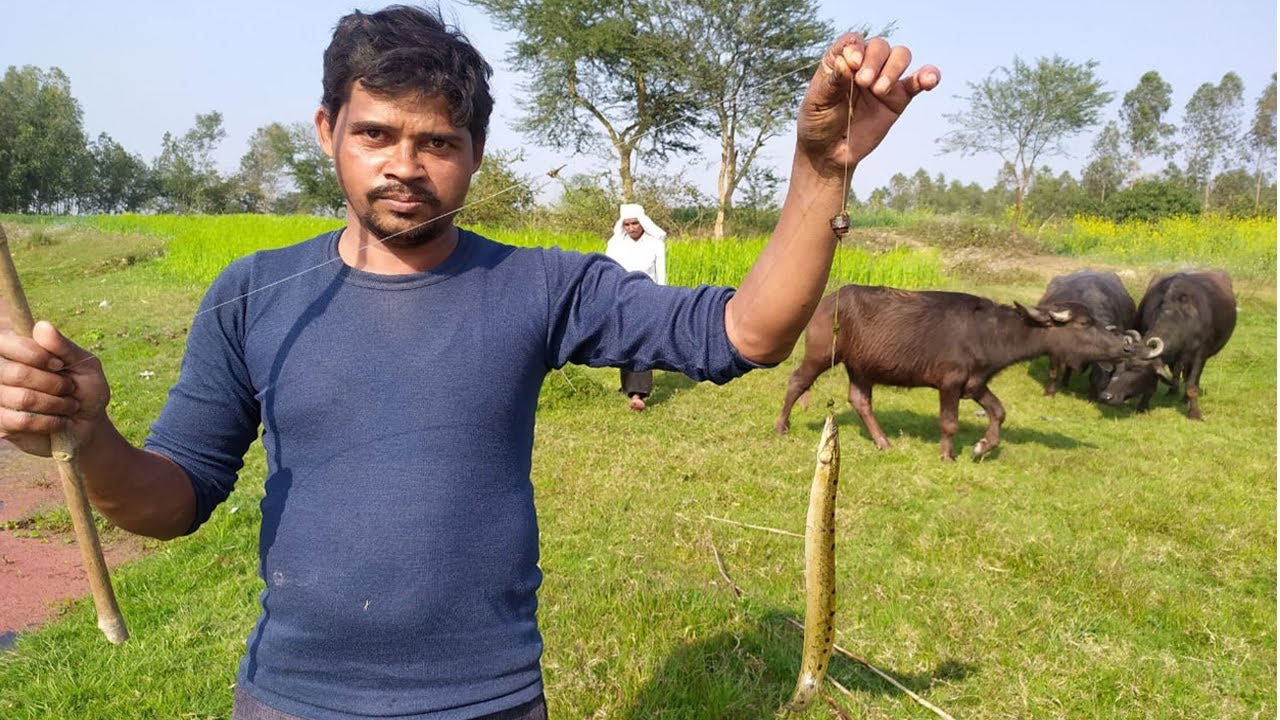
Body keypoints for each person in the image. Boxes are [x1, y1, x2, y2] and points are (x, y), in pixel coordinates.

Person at [0, 6, 938, 719]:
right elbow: (171, 503)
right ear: (327, 130)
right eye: (375, 133)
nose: (404, 166)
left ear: (476, 154)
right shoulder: (253, 294)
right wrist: (91, 435)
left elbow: (747, 333)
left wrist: (822, 170)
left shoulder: (539, 286)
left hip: (487, 700)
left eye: (437, 142)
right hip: (293, 698)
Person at [604, 203, 667, 411]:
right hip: (621, 298)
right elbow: (608, 273)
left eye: (635, 223)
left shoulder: (655, 244)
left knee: (642, 344)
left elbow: (661, 275)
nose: (632, 228)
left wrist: (661, 300)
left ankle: (638, 393)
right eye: (627, 224)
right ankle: (627, 386)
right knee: (625, 343)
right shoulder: (615, 245)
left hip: (647, 298)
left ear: (643, 223)